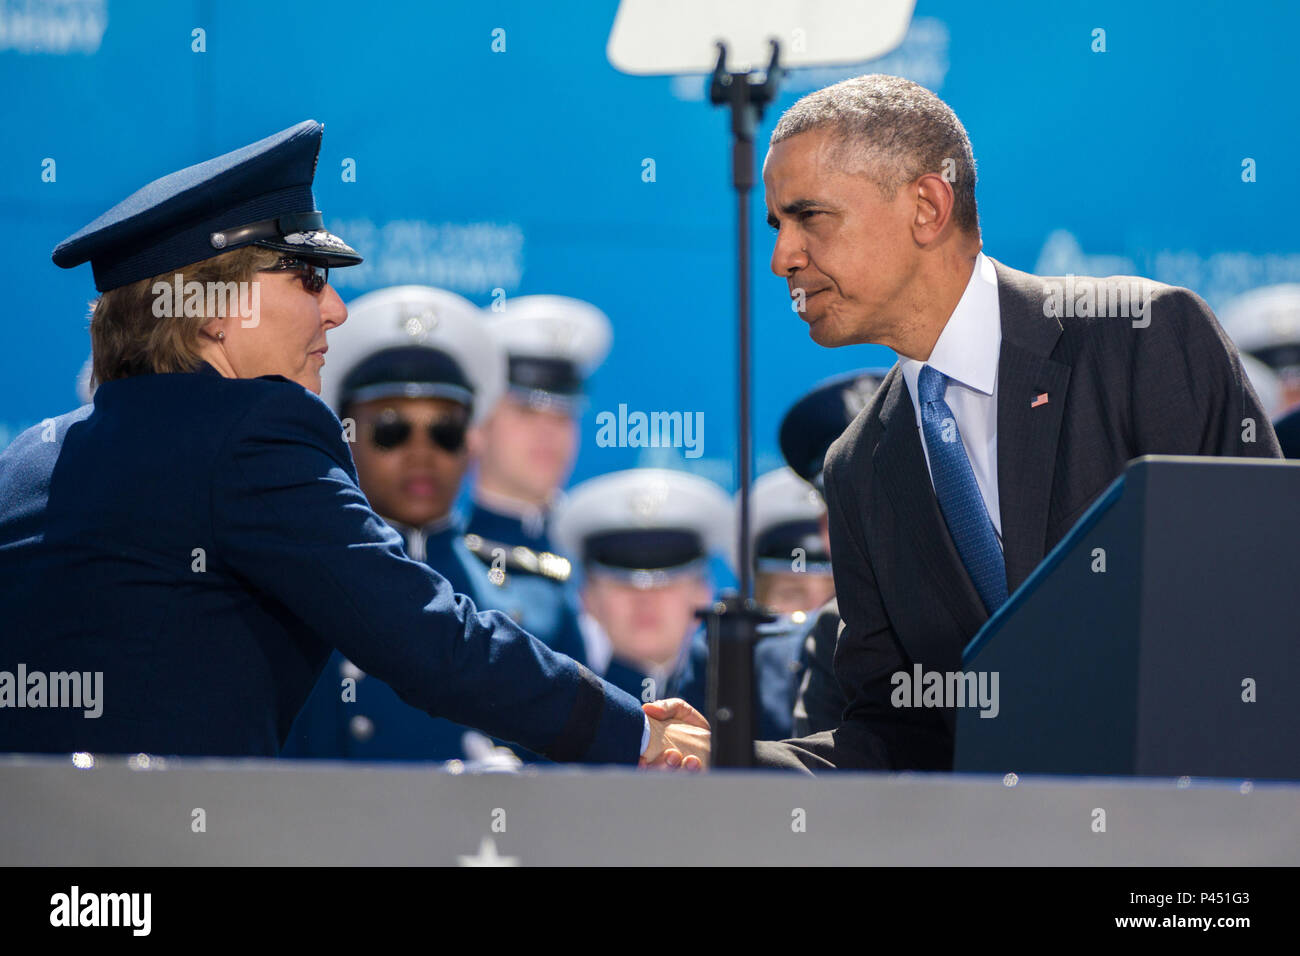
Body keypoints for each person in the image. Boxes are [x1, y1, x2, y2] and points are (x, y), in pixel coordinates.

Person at [0, 120, 706, 769]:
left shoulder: (28, 461)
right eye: (307, 277)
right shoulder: (253, 433)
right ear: (214, 313)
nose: (334, 309)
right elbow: (426, 639)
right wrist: (639, 736)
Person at [753, 75, 1282, 773]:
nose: (781, 257)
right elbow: (899, 735)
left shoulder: (1145, 338)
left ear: (927, 205)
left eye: (810, 217)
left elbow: (1264, 611)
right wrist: (732, 761)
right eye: (777, 226)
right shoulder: (857, 467)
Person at [282, 284, 548, 762]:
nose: (421, 453)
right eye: (391, 429)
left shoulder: (536, 599)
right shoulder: (298, 583)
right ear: (345, 433)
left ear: (471, 441)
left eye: (444, 431)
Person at [552, 468, 731, 712]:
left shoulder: (745, 713)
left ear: (703, 593)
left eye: (666, 582)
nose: (645, 599)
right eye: (622, 583)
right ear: (588, 598)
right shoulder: (556, 716)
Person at [772, 368, 889, 737]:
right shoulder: (829, 637)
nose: (875, 517)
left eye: (891, 491)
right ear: (826, 528)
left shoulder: (994, 607)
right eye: (849, 499)